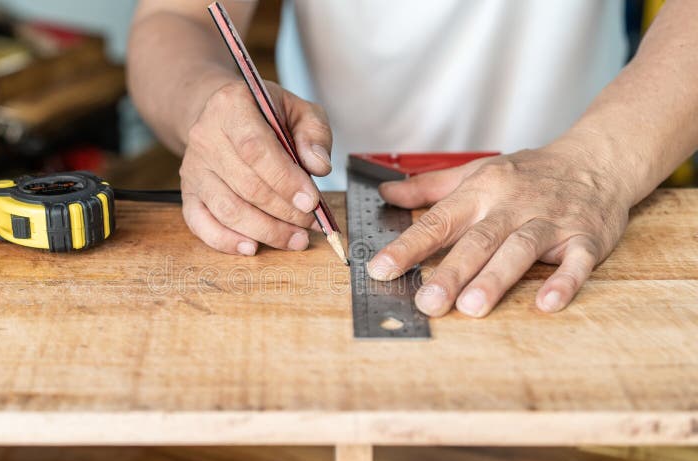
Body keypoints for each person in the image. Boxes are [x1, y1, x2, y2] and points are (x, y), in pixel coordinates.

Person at [127, 0, 698, 318]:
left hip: (581, 192)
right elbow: (175, 19)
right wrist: (206, 105)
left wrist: (597, 167)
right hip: (321, 194)